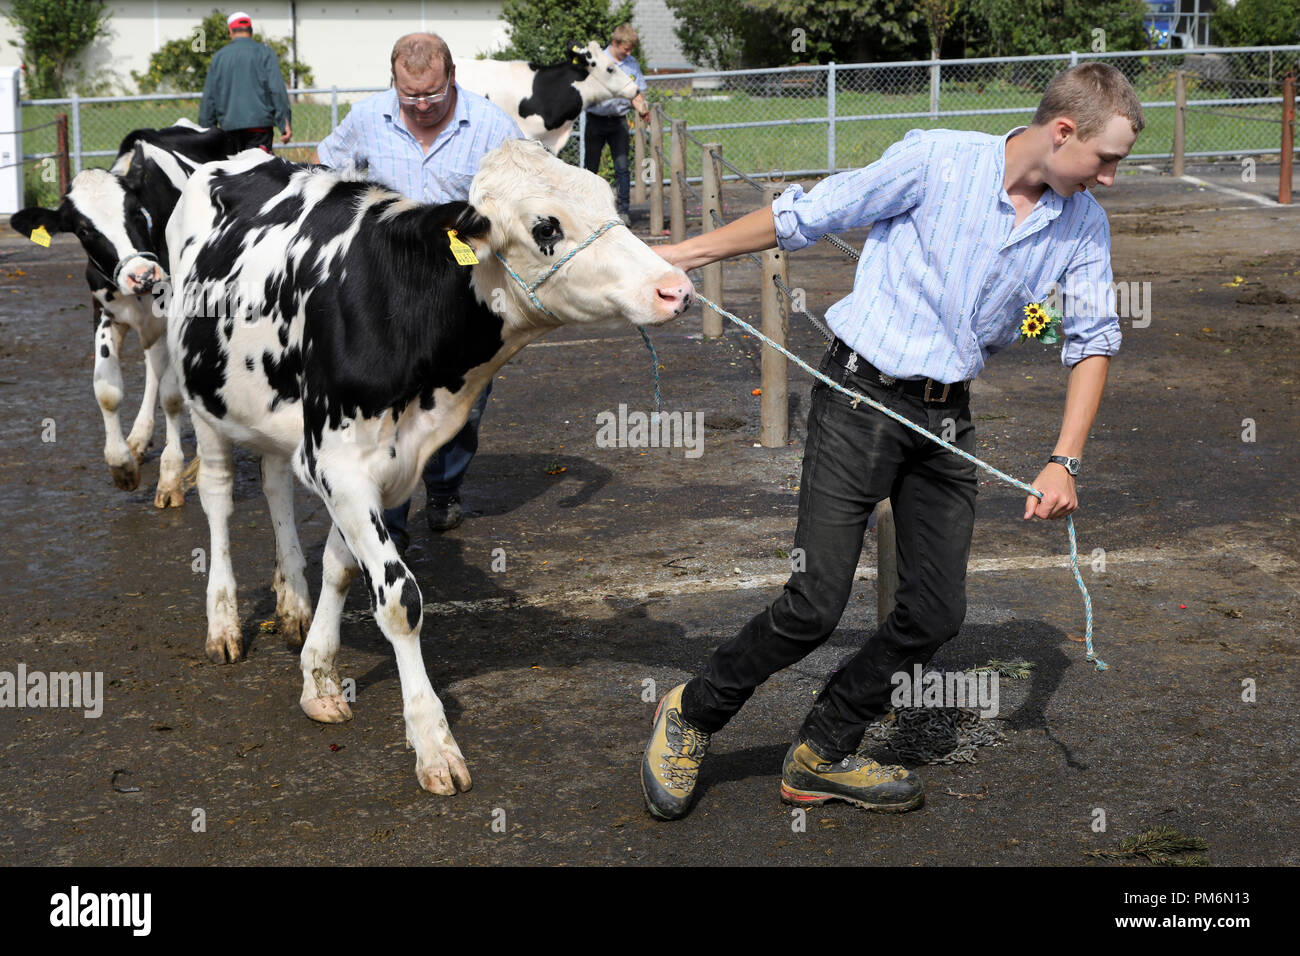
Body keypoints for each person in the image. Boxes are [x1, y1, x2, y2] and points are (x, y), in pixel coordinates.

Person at [640, 63, 1143, 821]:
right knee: (814, 604)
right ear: (1062, 132)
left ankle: (822, 751)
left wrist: (1063, 458)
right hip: (856, 398)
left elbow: (1093, 337)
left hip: (945, 420)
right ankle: (692, 713)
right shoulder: (937, 159)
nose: (1110, 179)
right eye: (1106, 159)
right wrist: (679, 257)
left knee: (936, 613)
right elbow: (803, 216)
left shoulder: (1082, 225)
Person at [314, 33, 522, 551]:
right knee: (391, 398)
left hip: (463, 264)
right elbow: (326, 169)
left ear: (451, 77)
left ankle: (445, 485)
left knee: (465, 395)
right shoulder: (367, 118)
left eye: (432, 94)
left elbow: (529, 184)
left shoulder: (491, 126)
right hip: (388, 273)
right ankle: (391, 521)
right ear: (395, 83)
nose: (423, 105)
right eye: (411, 97)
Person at [583, 23, 650, 226]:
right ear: (615, 43)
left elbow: (638, 92)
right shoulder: (597, 61)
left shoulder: (632, 64)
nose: (628, 53)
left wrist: (642, 108)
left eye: (630, 50)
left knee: (622, 168)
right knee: (590, 167)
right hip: (596, 120)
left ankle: (623, 211)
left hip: (619, 122)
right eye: (625, 49)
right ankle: (588, 210)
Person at [199, 11, 292, 151]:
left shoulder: (219, 57)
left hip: (229, 129)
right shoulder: (265, 53)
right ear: (251, 31)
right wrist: (284, 124)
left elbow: (210, 98)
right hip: (260, 129)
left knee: (233, 171)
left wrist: (206, 130)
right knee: (260, 171)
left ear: (230, 31)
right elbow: (277, 90)